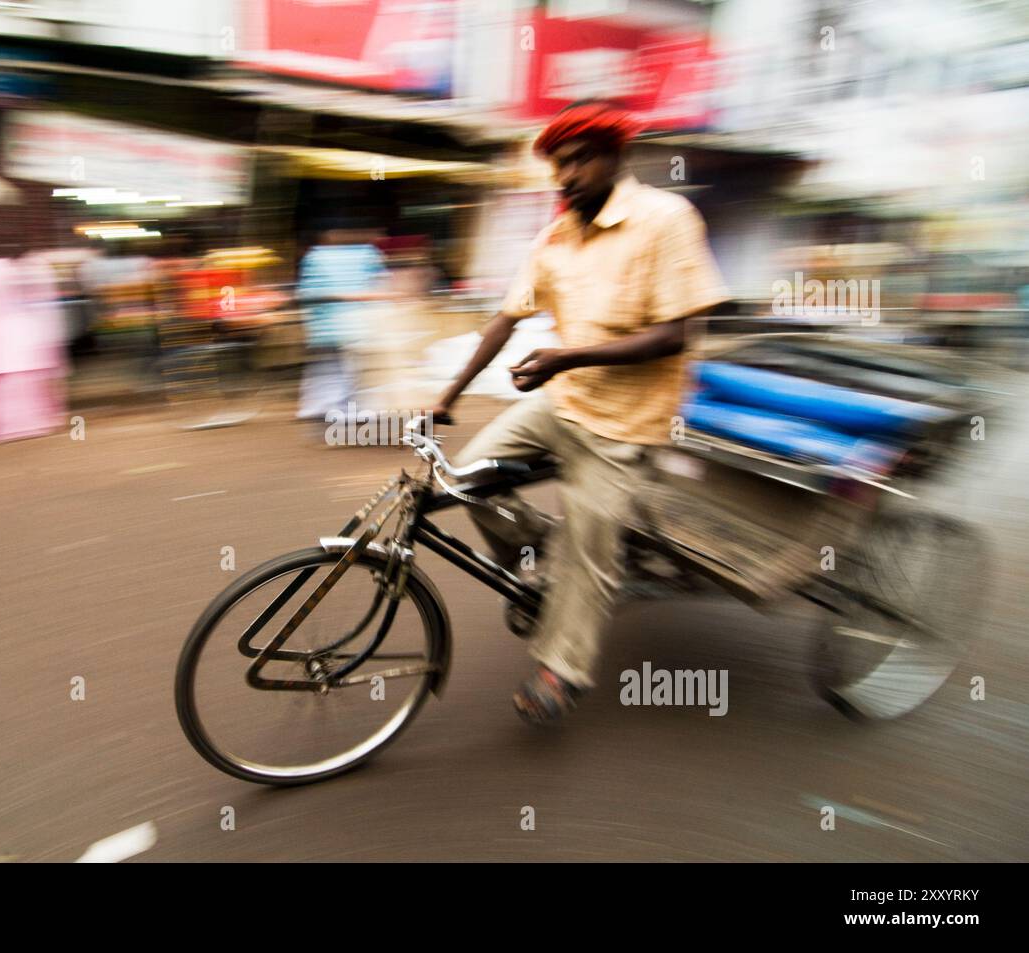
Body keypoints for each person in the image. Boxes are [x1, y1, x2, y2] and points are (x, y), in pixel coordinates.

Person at [428, 100, 730, 724]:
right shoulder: (557, 235)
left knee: (592, 550)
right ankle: (540, 558)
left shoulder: (665, 220)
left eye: (580, 160)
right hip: (560, 405)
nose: (566, 176)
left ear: (615, 157)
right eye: (558, 164)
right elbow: (506, 318)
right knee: (462, 478)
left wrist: (567, 356)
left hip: (625, 424)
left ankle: (562, 669)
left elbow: (678, 334)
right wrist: (449, 394)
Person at [295, 223, 390, 422]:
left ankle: (327, 412)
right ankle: (348, 414)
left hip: (327, 330)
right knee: (353, 374)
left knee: (331, 374)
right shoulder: (367, 254)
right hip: (354, 327)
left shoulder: (314, 257)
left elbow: (307, 294)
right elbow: (381, 286)